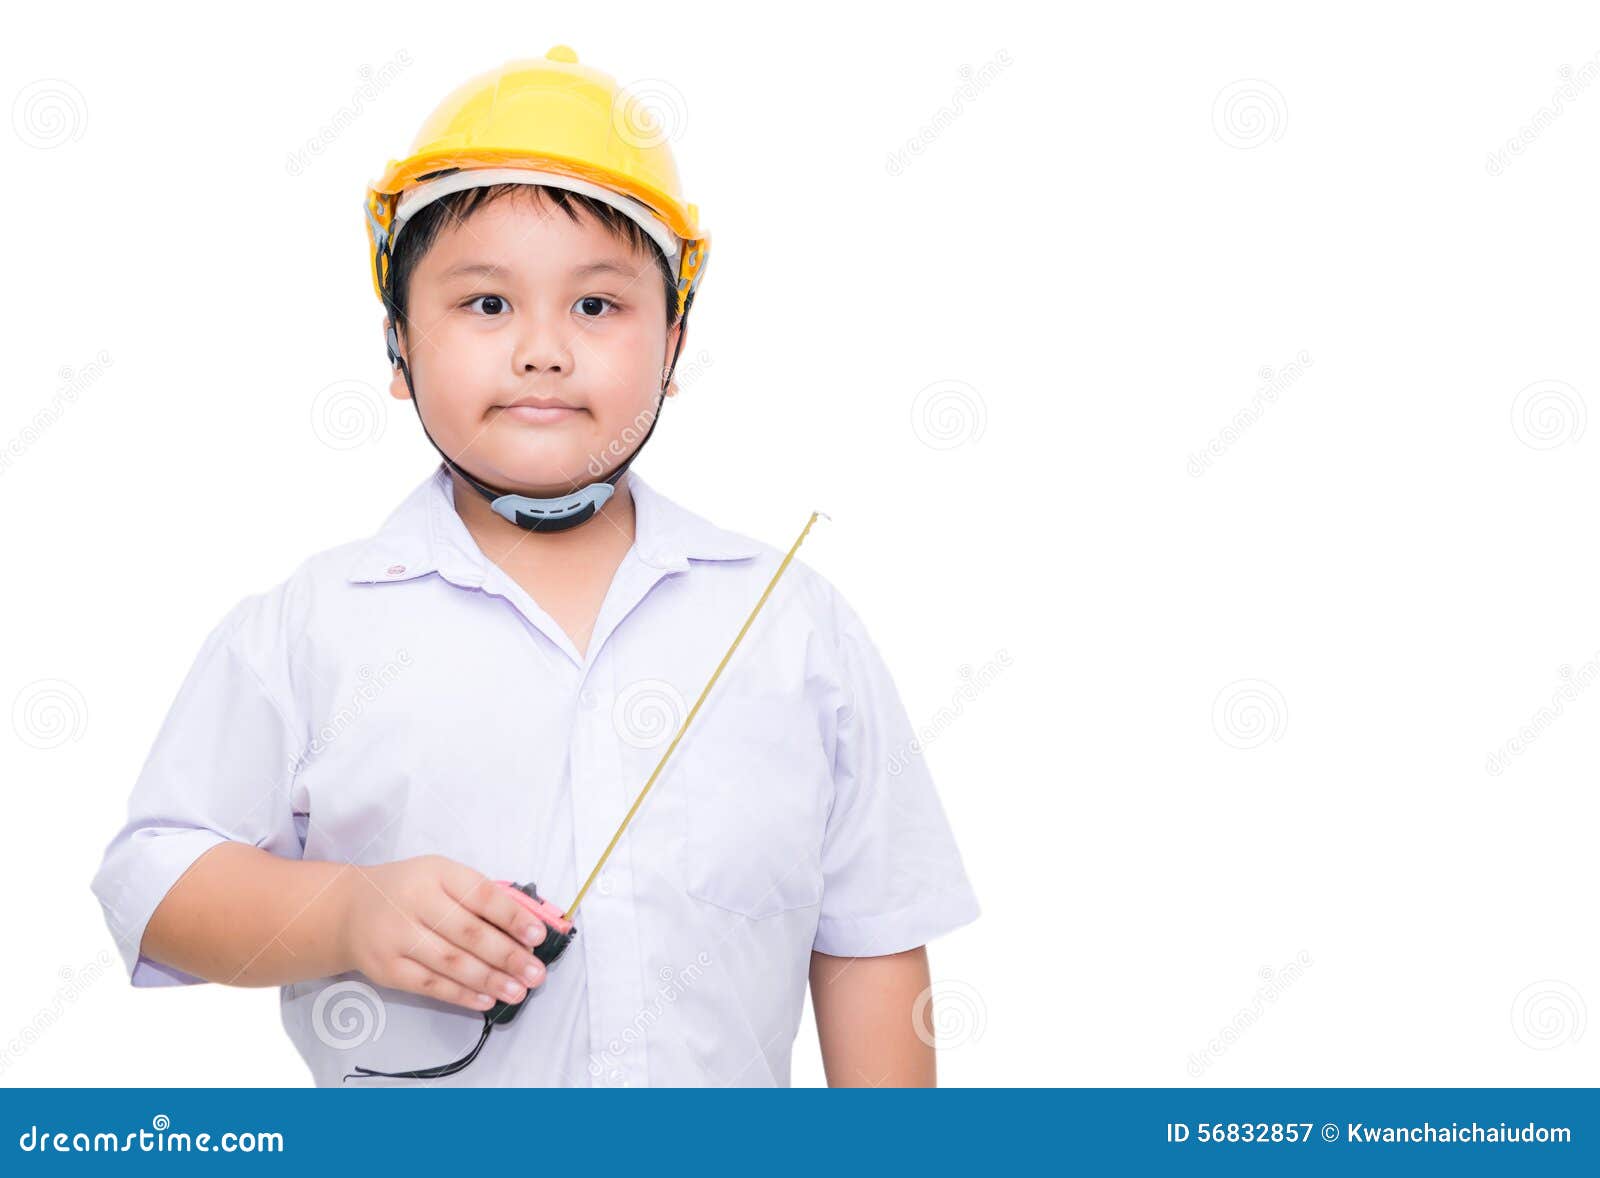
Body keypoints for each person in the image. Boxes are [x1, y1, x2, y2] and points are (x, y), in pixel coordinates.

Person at [90, 46, 979, 1087]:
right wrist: (345, 911)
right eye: (486, 304)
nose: (544, 350)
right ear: (396, 346)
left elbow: (869, 934)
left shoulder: (792, 624)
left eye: (597, 306)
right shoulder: (311, 626)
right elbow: (154, 879)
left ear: (674, 342)